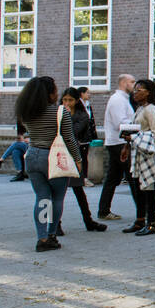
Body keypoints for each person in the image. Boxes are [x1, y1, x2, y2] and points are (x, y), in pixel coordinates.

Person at [15, 75, 81, 253]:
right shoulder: (60, 112)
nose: (57, 92)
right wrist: (78, 159)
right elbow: (69, 138)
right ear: (49, 93)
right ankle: (52, 235)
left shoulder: (26, 112)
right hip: (54, 157)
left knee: (42, 198)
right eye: (55, 90)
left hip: (32, 156)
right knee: (57, 198)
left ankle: (41, 237)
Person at [59, 87, 106, 232]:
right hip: (60, 156)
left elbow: (72, 133)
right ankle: (56, 224)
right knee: (58, 192)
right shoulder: (58, 113)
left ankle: (88, 220)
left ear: (76, 101)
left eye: (70, 100)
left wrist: (65, 116)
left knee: (78, 190)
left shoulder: (82, 116)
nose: (67, 103)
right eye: (65, 100)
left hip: (75, 156)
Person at [122, 78, 155, 235]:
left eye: (139, 90)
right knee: (139, 187)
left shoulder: (150, 109)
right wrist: (127, 145)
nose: (135, 93)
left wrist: (134, 139)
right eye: (134, 90)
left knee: (149, 187)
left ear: (148, 93)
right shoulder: (140, 109)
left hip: (147, 154)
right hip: (137, 152)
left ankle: (151, 223)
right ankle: (140, 220)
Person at [97, 74, 136, 222]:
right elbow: (121, 123)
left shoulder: (122, 99)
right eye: (132, 82)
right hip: (119, 143)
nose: (134, 85)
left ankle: (103, 210)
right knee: (132, 176)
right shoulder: (118, 100)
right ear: (124, 83)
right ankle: (143, 209)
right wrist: (138, 128)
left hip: (116, 142)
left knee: (113, 178)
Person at [77, 88, 97, 186]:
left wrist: (93, 135)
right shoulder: (79, 106)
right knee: (80, 158)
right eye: (87, 93)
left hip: (87, 137)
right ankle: (81, 178)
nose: (89, 94)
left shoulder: (88, 105)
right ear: (82, 94)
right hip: (81, 138)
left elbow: (91, 121)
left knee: (84, 157)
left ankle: (84, 177)